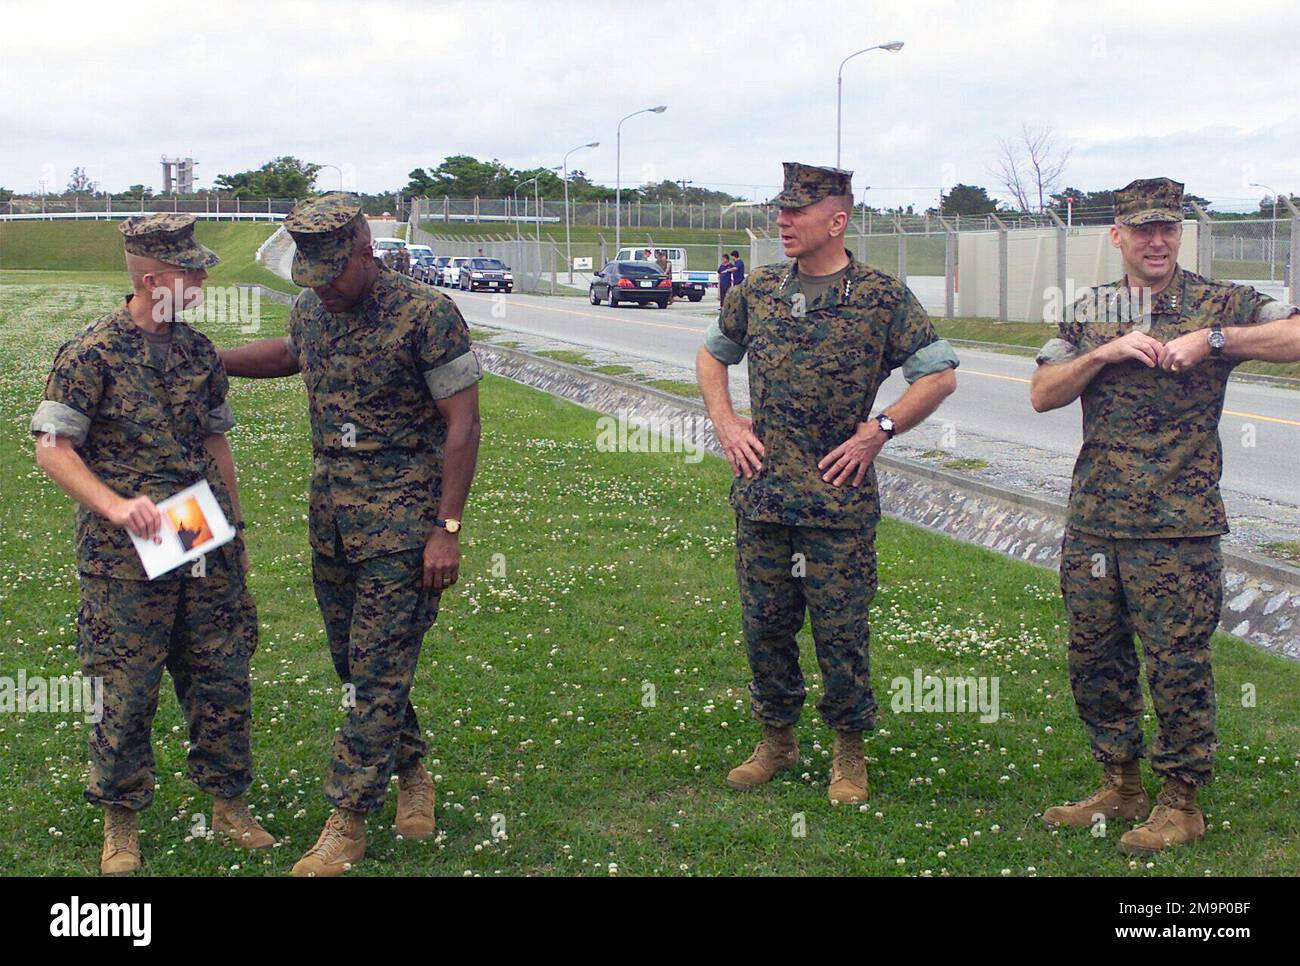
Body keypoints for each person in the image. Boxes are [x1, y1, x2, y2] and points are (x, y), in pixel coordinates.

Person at [1031, 177, 1300, 855]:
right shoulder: (1091, 310)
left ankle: (1182, 803)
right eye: (1143, 230)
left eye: (1168, 229)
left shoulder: (1222, 302)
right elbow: (1041, 392)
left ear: (1181, 234)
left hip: (1178, 525)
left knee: (1177, 662)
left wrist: (1214, 341)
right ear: (1117, 236)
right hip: (1095, 520)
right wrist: (1102, 353)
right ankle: (1120, 783)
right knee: (1095, 657)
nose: (1156, 241)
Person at [218, 194, 483, 876]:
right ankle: (413, 769)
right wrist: (212, 360)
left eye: (334, 272)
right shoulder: (313, 308)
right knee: (357, 666)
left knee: (375, 673)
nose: (323, 288)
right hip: (333, 523)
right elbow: (290, 355)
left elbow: (463, 425)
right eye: (312, 274)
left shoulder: (428, 315)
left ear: (367, 251)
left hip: (404, 528)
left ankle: (348, 821)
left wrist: (446, 529)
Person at [696, 163, 960, 805]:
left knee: (840, 629)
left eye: (796, 213)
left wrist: (881, 429)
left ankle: (848, 750)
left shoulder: (881, 296)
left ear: (836, 220)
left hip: (837, 504)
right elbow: (712, 354)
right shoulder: (757, 290)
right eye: (779, 212)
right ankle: (776, 740)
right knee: (765, 625)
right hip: (763, 496)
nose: (782, 222)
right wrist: (727, 423)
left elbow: (940, 374)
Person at [31, 213, 270, 875]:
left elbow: (217, 441)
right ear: (155, 277)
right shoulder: (92, 351)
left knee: (222, 673)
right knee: (125, 687)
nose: (201, 279)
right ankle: (120, 819)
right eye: (193, 270)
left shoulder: (198, 352)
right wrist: (114, 506)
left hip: (200, 535)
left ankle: (229, 802)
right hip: (124, 556)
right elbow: (52, 447)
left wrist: (236, 532)